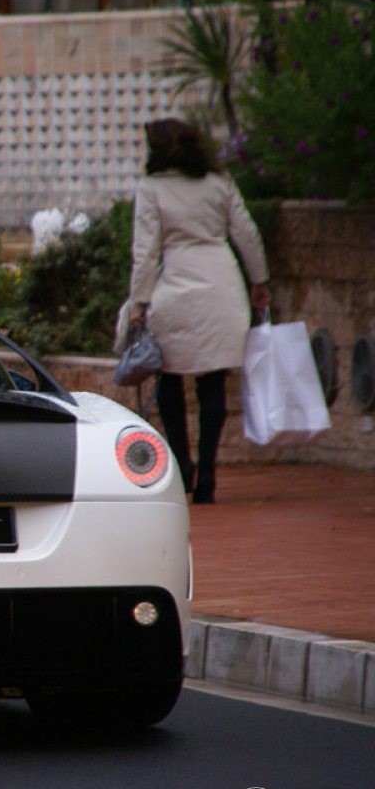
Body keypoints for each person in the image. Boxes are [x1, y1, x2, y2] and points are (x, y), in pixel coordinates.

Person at [127, 118, 271, 504]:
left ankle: (181, 466)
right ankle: (207, 471)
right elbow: (246, 233)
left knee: (169, 381)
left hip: (174, 286)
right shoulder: (220, 181)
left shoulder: (151, 188)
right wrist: (260, 281)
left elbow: (146, 252)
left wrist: (138, 302)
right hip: (222, 288)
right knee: (212, 383)